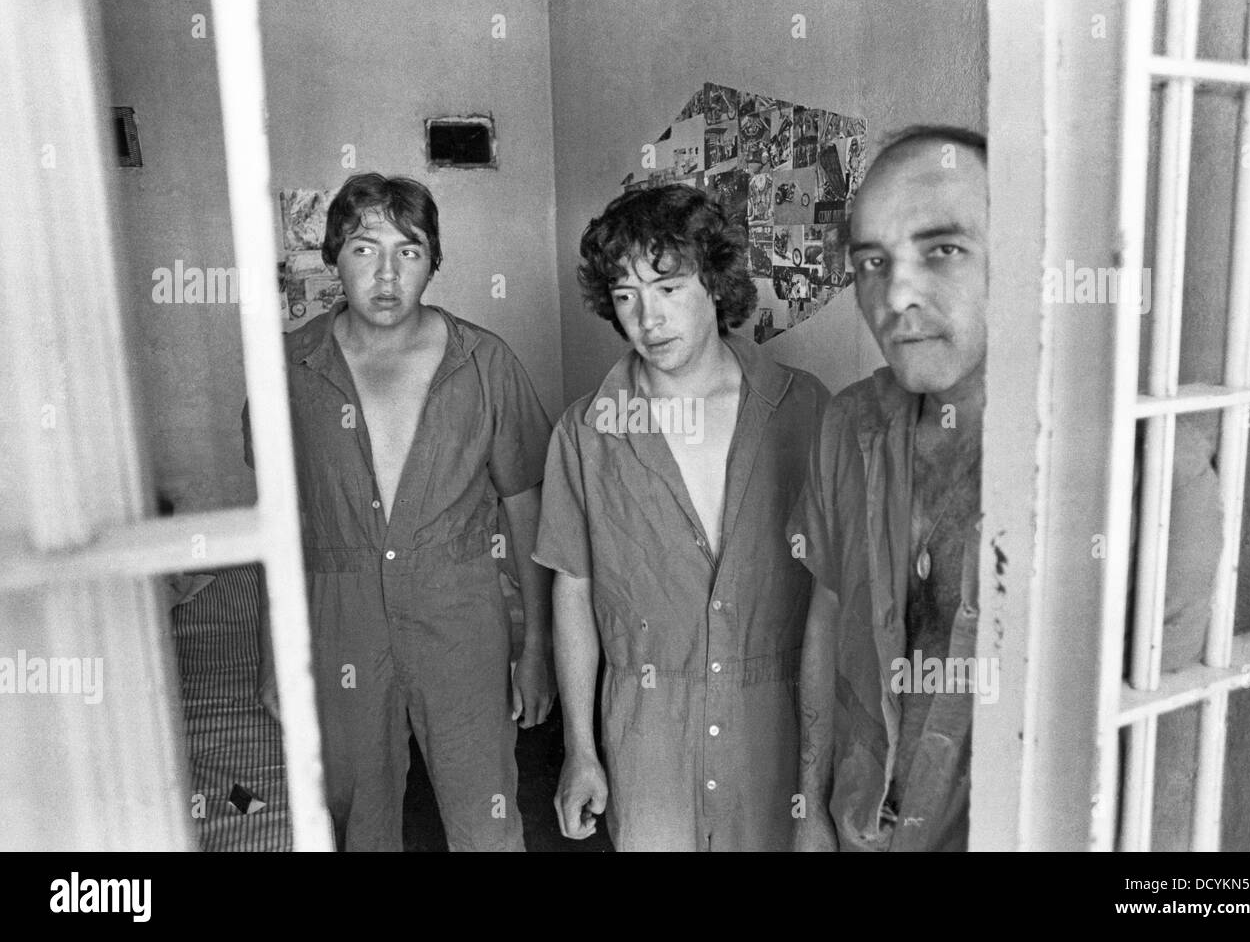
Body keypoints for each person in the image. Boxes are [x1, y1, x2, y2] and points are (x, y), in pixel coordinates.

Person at [791, 126, 1220, 851]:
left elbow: (1165, 729)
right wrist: (810, 804)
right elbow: (828, 613)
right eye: (872, 260)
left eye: (942, 250)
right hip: (861, 822)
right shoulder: (848, 423)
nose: (896, 294)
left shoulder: (1141, 459)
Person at [243, 172, 555, 851]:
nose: (387, 273)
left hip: (460, 613)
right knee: (356, 816)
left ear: (433, 262)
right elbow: (280, 522)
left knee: (487, 815)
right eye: (364, 248)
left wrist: (537, 644)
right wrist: (276, 651)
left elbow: (525, 503)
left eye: (409, 251)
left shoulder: (484, 362)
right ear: (333, 257)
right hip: (339, 616)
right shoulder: (289, 369)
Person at [535, 184, 828, 850]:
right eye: (625, 295)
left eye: (668, 287)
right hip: (647, 732)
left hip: (779, 726)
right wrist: (579, 749)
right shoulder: (587, 431)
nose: (648, 317)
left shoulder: (804, 410)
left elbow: (838, 594)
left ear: (716, 284)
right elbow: (572, 591)